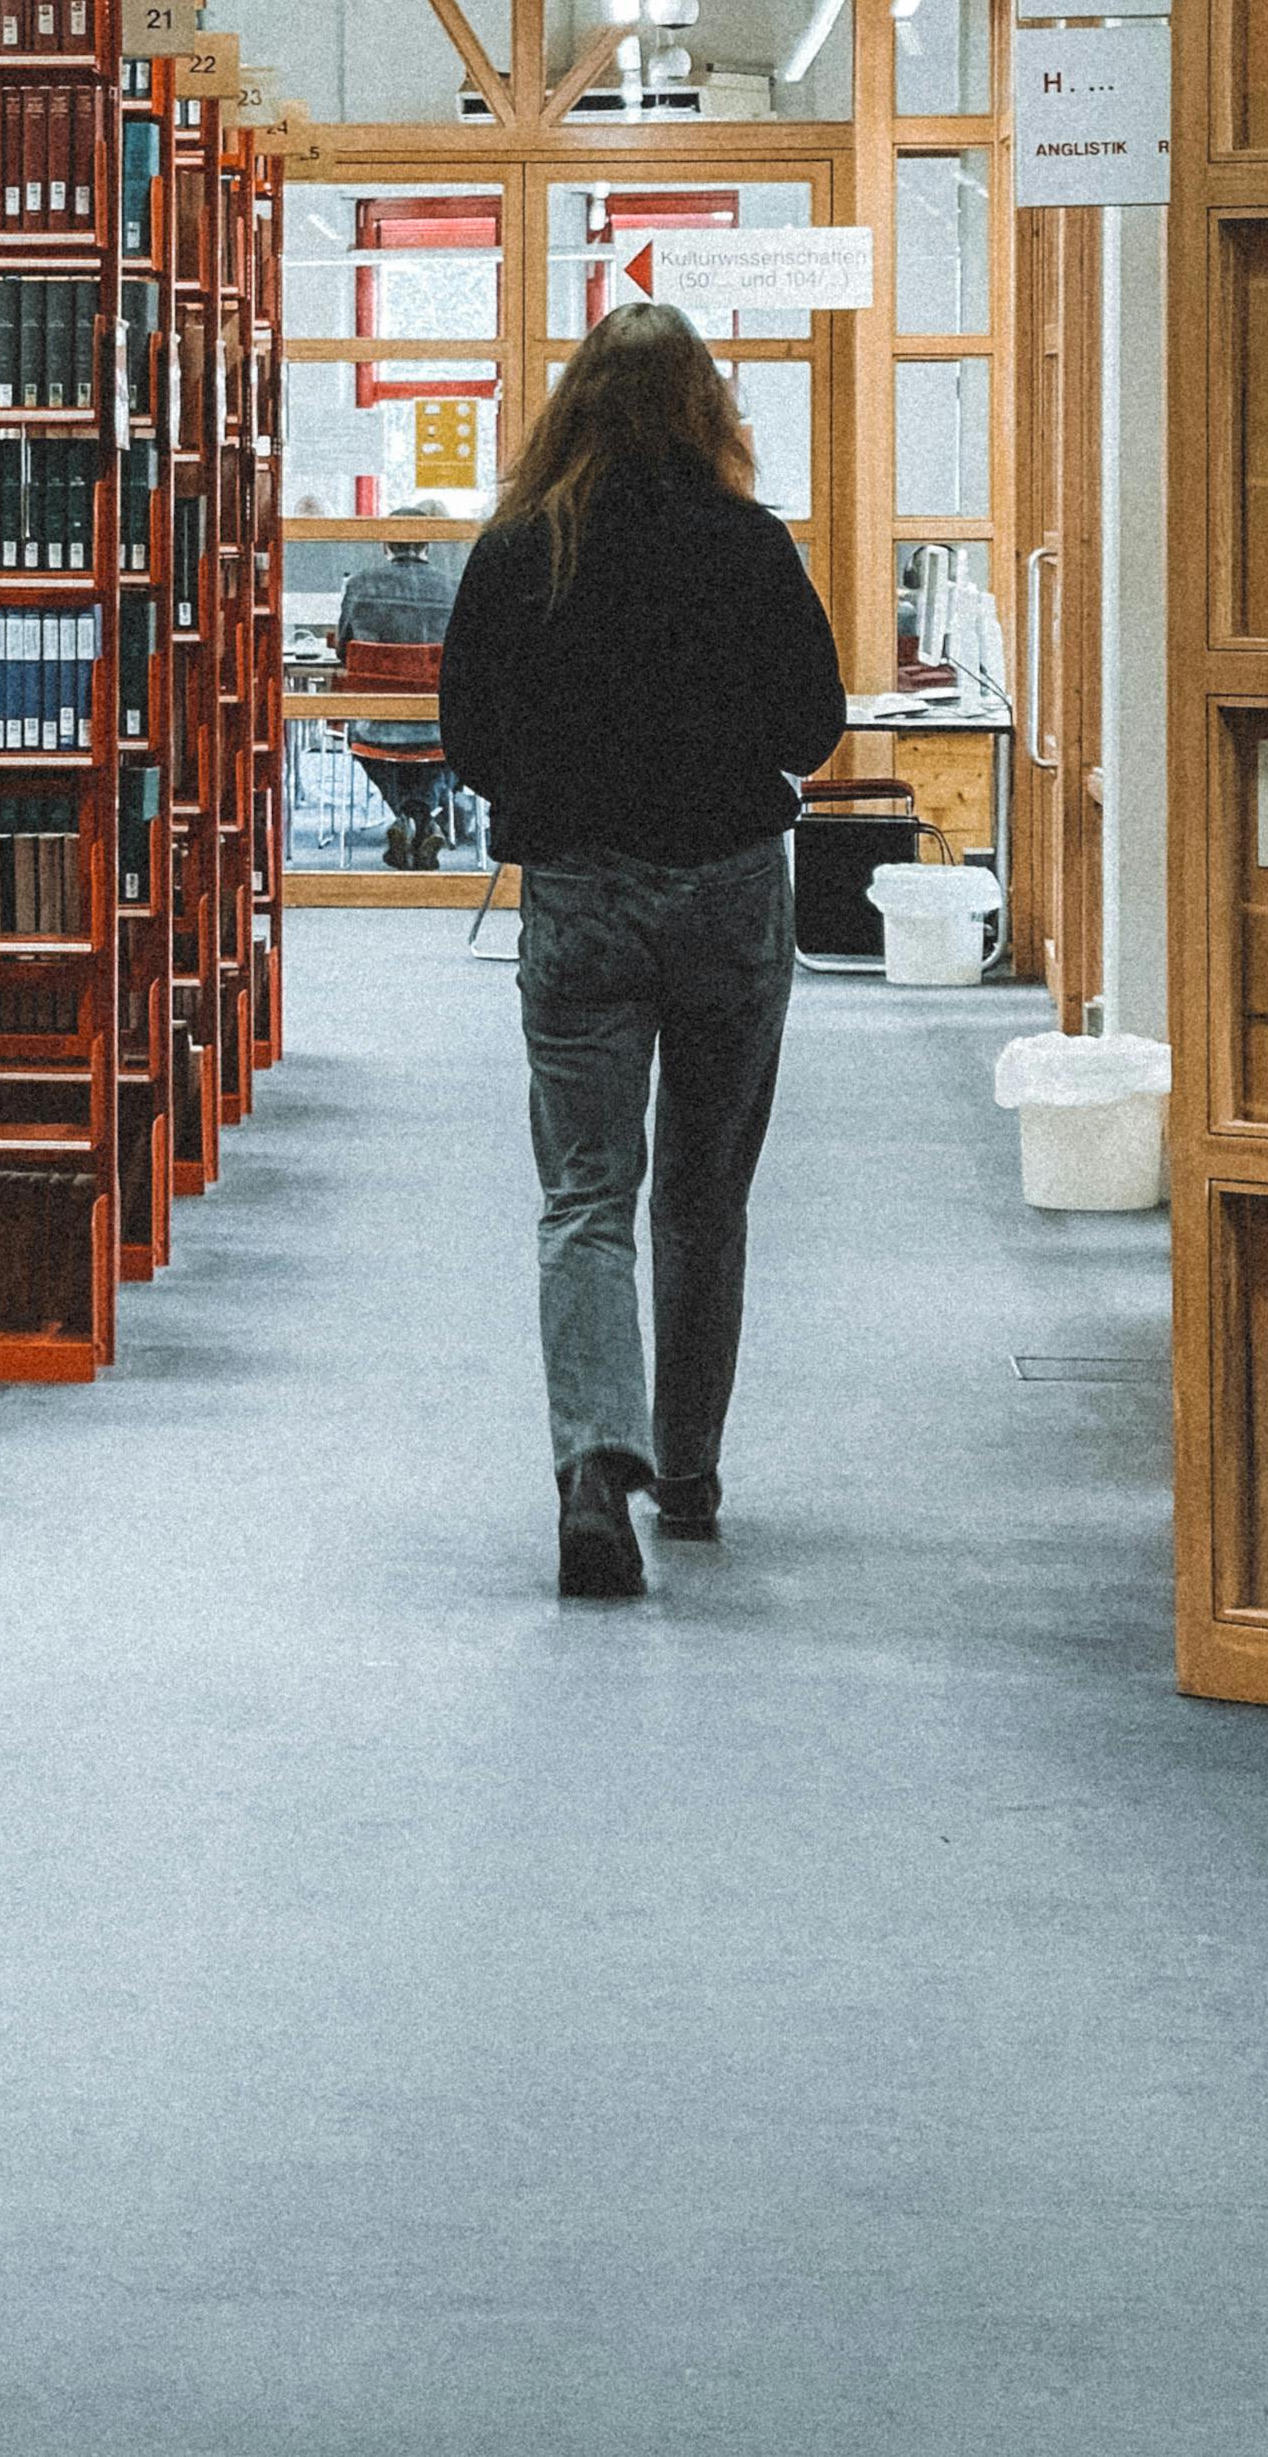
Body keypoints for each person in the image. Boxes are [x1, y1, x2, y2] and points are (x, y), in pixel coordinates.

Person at [438, 304, 845, 1603]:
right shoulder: (751, 543)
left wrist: (558, 799)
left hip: (582, 896)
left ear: (571, 410)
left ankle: (589, 1475)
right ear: (705, 410)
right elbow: (815, 724)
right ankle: (692, 1472)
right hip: (730, 890)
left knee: (585, 1195)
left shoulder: (518, 552)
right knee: (706, 1195)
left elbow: (467, 737)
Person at [332, 513, 459, 870]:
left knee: (376, 745)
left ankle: (408, 815)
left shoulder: (359, 585)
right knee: (457, 743)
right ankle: (420, 814)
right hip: (439, 726)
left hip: (376, 725)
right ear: (428, 544)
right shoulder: (452, 587)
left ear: (385, 544)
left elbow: (345, 649)